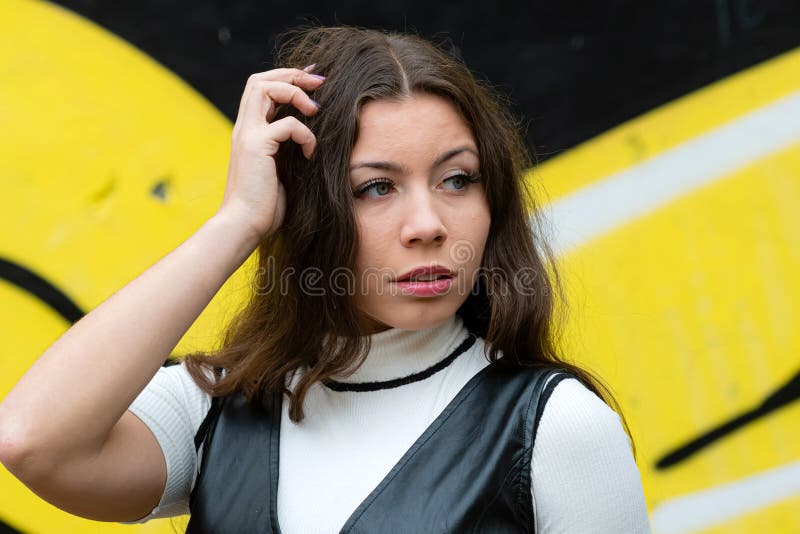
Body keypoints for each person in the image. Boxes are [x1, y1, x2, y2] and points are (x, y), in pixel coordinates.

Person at [0, 25, 651, 532]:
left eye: (457, 179)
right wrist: (240, 221)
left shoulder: (558, 430)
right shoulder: (216, 411)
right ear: (312, 210)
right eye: (375, 187)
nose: (427, 223)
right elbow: (32, 441)